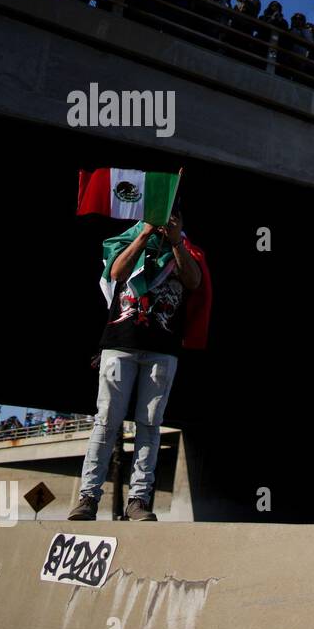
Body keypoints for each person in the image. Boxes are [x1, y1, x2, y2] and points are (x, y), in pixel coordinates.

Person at [68, 213, 205, 522]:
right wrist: (143, 235)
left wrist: (175, 241)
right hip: (120, 344)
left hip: (163, 350)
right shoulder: (130, 239)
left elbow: (193, 280)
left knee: (150, 424)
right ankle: (88, 497)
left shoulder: (185, 249)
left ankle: (138, 500)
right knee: (107, 420)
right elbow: (117, 272)